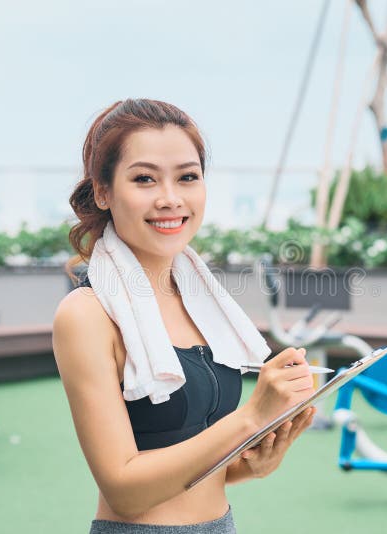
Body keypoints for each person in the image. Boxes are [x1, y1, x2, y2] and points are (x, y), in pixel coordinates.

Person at [53, 98, 317, 534]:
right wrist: (248, 418)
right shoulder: (87, 314)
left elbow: (201, 469)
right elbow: (124, 489)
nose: (170, 199)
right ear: (103, 192)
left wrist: (256, 460)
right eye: (144, 179)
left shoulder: (203, 303)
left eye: (187, 177)